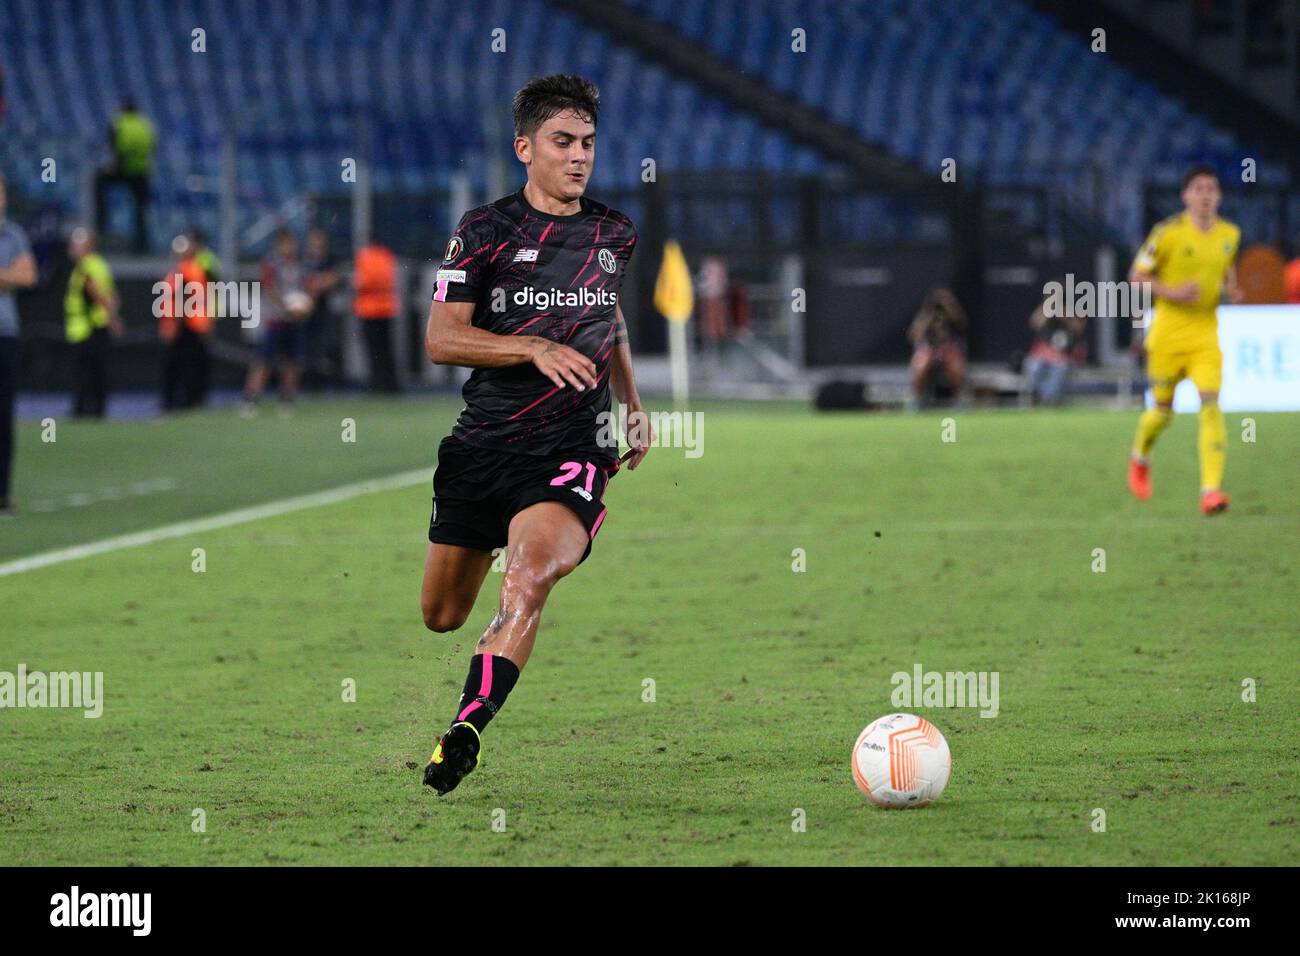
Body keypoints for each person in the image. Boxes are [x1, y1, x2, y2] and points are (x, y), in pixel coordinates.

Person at [420, 74, 650, 795]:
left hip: (571, 445)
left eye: (588, 143)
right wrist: (532, 346)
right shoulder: (484, 231)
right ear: (525, 148)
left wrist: (631, 401)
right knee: (442, 615)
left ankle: (465, 728)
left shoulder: (614, 233)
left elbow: (607, 315)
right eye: (563, 142)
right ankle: (503, 533)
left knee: (529, 577)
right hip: (483, 444)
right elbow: (441, 338)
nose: (579, 157)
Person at [1127, 164, 1241, 515]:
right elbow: (1136, 276)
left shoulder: (1230, 234)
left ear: (1219, 196)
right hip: (1168, 335)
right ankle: (1140, 457)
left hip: (1205, 334)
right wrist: (1173, 291)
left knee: (1210, 404)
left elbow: (1226, 266)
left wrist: (1233, 289)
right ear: (1185, 196)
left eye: (1211, 189)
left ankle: (1210, 491)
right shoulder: (1167, 233)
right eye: (1199, 189)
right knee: (1162, 414)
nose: (1206, 195)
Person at [241, 228, 310, 415]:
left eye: (291, 243)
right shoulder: (272, 263)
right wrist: (287, 306)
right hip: (275, 319)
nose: (288, 247)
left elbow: (308, 287)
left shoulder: (301, 264)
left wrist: (305, 305)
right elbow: (269, 288)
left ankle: (287, 398)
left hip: (295, 320)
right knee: (264, 360)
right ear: (278, 245)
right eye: (284, 243)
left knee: (293, 361)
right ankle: (251, 398)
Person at [0, 173, 37, 515]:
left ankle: (2, 493)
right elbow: (16, 275)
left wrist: (9, 277)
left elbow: (27, 276)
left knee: (4, 416)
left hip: (5, 333)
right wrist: (6, 276)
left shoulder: (13, 235)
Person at [64, 227, 121, 419]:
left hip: (88, 328)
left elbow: (97, 293)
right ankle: (94, 410)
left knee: (86, 373)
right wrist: (113, 315)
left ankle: (85, 410)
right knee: (95, 372)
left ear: (88, 246)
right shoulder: (98, 265)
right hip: (91, 327)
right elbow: (112, 295)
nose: (72, 248)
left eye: (77, 244)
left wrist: (112, 318)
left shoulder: (88, 267)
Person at [94, 99, 157, 252]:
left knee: (98, 182)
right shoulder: (146, 125)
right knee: (140, 209)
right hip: (142, 172)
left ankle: (101, 227)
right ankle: (142, 244)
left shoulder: (119, 123)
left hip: (123, 168)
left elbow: (114, 148)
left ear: (123, 109)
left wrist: (113, 166)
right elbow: (154, 148)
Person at [158, 234, 212, 411]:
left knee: (184, 366)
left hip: (187, 326)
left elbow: (184, 298)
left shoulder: (188, 271)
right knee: (185, 366)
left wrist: (174, 323)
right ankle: (184, 401)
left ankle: (183, 401)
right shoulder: (187, 270)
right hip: (189, 324)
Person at [908, 287, 968, 407]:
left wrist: (949, 307)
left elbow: (963, 325)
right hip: (929, 352)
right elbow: (914, 334)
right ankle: (918, 400)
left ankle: (959, 399)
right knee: (920, 365)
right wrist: (930, 315)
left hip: (949, 352)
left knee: (956, 367)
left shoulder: (952, 315)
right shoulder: (925, 315)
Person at [353, 239, 400, 393]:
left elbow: (363, 282)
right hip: (386, 308)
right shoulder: (387, 256)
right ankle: (391, 383)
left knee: (373, 351)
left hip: (369, 310)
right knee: (387, 349)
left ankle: (378, 383)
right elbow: (388, 281)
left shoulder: (364, 257)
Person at [1024, 292, 1086, 405]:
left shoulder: (1071, 312)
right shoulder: (1046, 313)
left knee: (1059, 370)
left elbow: (1079, 327)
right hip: (1044, 357)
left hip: (1064, 358)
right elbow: (1035, 322)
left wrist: (1065, 314)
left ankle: (1048, 400)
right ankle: (1037, 397)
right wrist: (1048, 307)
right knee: (1034, 367)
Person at [303, 227, 340, 388]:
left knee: (326, 345)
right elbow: (304, 282)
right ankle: (309, 380)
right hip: (305, 310)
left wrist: (316, 284)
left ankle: (328, 381)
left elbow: (332, 279)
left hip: (323, 309)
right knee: (307, 347)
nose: (317, 245)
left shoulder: (329, 260)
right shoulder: (304, 261)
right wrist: (318, 282)